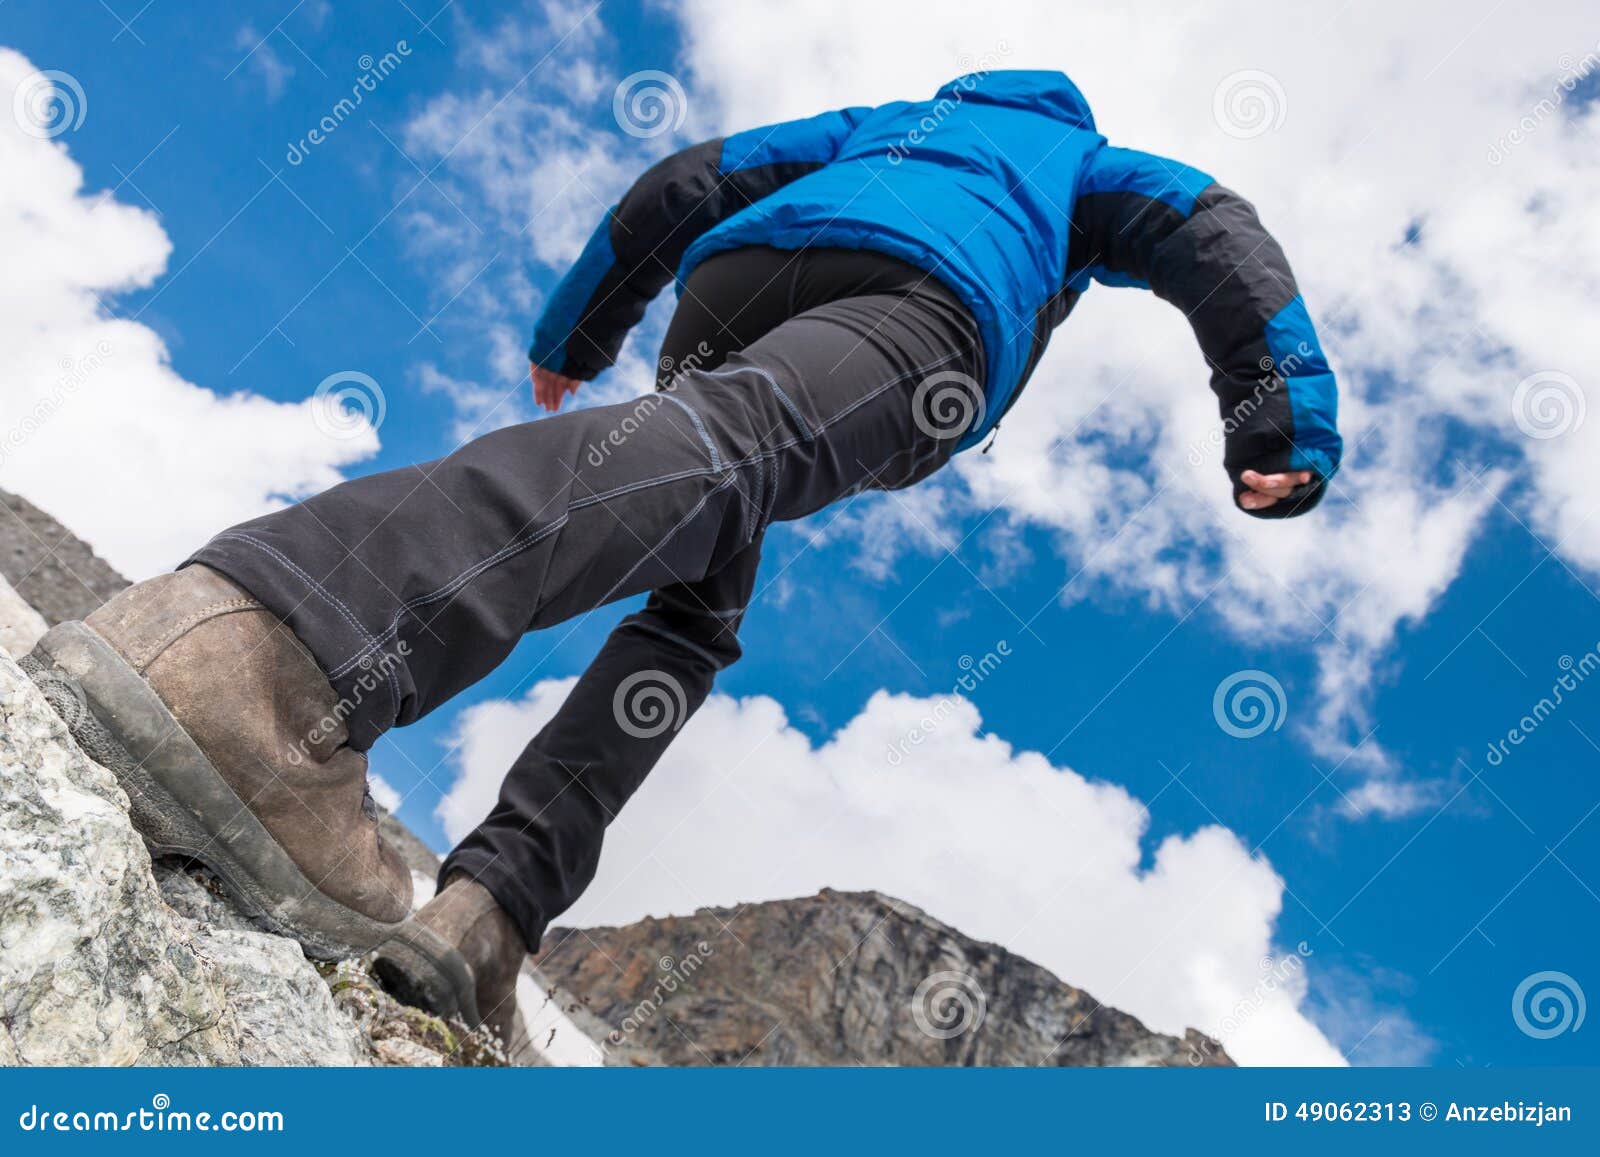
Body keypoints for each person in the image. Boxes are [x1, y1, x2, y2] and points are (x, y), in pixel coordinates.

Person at [25, 70, 1341, 1059]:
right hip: (919, 313)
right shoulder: (1079, 164)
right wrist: (1279, 414)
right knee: (733, 457)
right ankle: (261, 653)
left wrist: (579, 328)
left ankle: (485, 914)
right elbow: (1212, 235)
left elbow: (691, 177)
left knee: (697, 583)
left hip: (731, 293)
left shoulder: (889, 122)